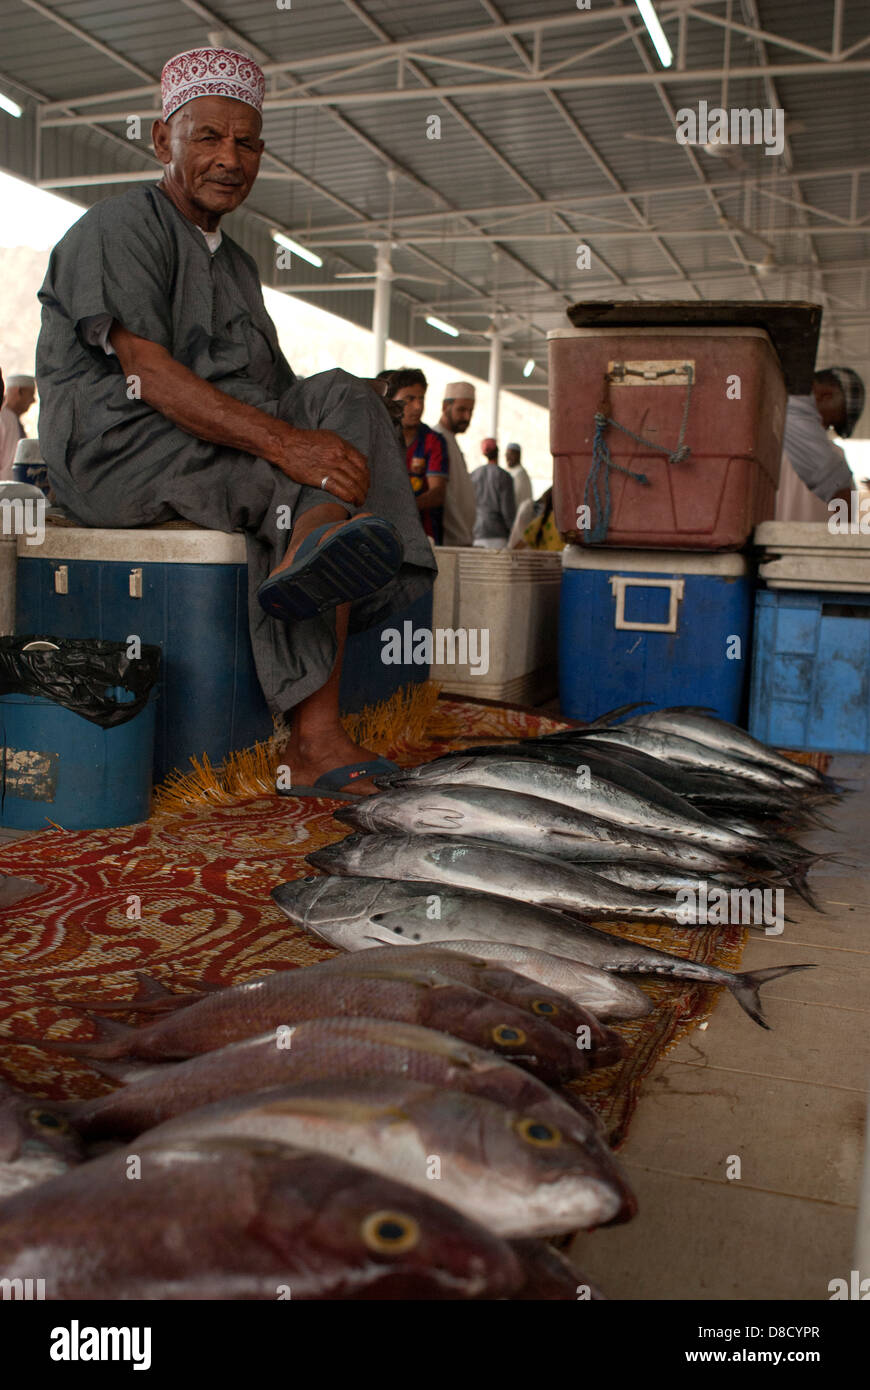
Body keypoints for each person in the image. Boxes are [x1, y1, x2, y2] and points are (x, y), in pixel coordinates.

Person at [36, 47, 436, 798]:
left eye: (247, 143)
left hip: (204, 444)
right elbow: (146, 373)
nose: (230, 158)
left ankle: (314, 545)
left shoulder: (238, 265)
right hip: (119, 451)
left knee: (348, 395)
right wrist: (291, 446)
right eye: (209, 138)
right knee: (284, 471)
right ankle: (314, 739)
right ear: (164, 141)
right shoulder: (119, 227)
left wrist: (319, 440)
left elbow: (283, 393)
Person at [775, 366, 864, 523]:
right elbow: (841, 493)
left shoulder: (776, 426)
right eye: (829, 423)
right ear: (825, 396)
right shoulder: (790, 417)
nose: (825, 430)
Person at [384, 367, 449, 546]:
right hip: (383, 532)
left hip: (424, 538)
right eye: (409, 399)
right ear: (391, 401)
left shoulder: (433, 441)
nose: (418, 406)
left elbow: (437, 494)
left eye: (421, 398)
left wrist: (400, 507)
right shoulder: (379, 437)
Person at [437, 380, 477, 547]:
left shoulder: (450, 440)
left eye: (470, 411)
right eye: (461, 410)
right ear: (446, 406)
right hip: (450, 541)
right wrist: (461, 537)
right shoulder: (437, 440)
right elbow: (446, 497)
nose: (466, 417)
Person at [471, 438, 516, 549]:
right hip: (498, 535)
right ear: (497, 451)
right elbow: (508, 511)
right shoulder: (504, 476)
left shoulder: (473, 475)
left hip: (477, 533)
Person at [0, 374, 36, 480]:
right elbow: (10, 466)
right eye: (31, 394)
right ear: (19, 391)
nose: (33, 400)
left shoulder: (8, 417)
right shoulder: (8, 418)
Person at [504, 443, 532, 510]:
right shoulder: (512, 472)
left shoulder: (520, 475)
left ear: (518, 455)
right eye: (507, 455)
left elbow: (515, 500)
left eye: (511, 454)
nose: (508, 458)